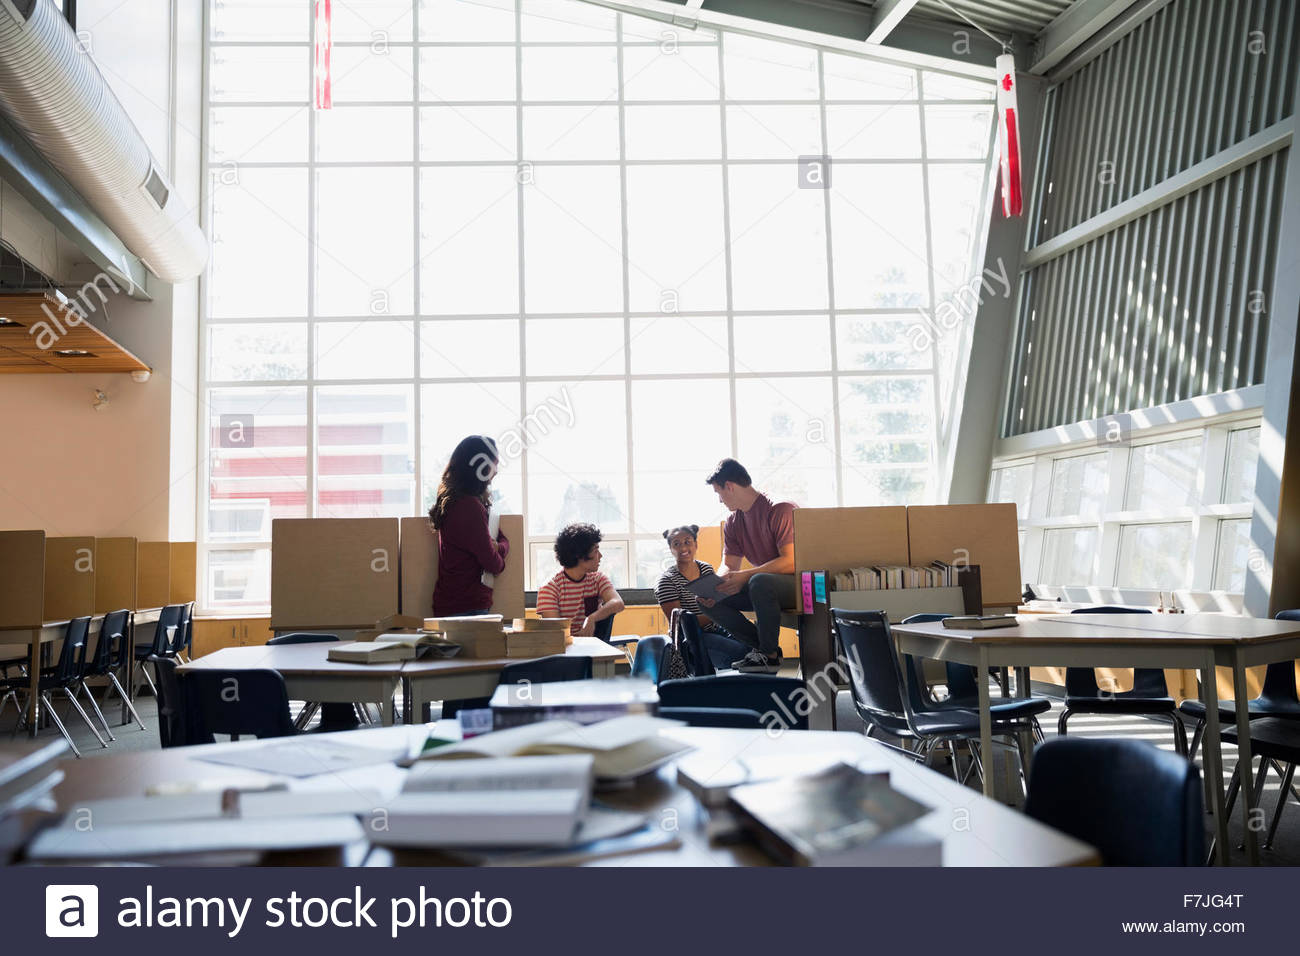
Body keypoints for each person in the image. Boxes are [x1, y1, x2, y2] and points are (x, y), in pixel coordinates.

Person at [697, 458, 798, 674]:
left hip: (797, 585)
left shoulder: (780, 509)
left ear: (730, 487)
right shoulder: (733, 523)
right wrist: (716, 585)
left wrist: (746, 575)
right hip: (761, 587)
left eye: (718, 493)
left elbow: (791, 560)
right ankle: (764, 649)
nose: (719, 500)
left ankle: (768, 657)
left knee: (759, 581)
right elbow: (729, 565)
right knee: (708, 601)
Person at [429, 435, 509, 617]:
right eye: (494, 463)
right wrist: (500, 550)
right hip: (466, 609)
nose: (496, 470)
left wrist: (498, 547)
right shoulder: (469, 507)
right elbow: (494, 563)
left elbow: (498, 540)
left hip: (454, 605)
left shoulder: (456, 502)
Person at [654, 524, 752, 671]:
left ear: (696, 544)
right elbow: (681, 623)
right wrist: (715, 614)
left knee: (758, 648)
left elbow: (718, 600)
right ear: (670, 549)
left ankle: (757, 690)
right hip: (690, 638)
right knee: (740, 653)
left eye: (687, 542)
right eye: (676, 544)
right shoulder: (666, 581)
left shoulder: (706, 569)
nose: (683, 548)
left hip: (717, 627)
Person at [537, 523, 624, 638]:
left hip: (595, 650)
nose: (601, 556)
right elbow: (557, 636)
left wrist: (591, 618)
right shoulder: (550, 589)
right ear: (580, 555)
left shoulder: (597, 579)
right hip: (566, 652)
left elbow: (618, 603)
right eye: (596, 551)